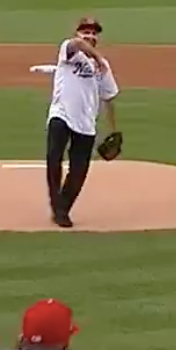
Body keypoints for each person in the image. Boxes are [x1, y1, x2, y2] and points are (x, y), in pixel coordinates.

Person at [44, 16, 120, 228]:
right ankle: (56, 204)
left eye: (94, 33)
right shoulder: (69, 51)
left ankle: (63, 209)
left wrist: (114, 131)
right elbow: (77, 45)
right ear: (78, 33)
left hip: (86, 123)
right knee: (53, 157)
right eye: (85, 32)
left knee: (79, 170)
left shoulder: (103, 67)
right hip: (61, 114)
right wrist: (95, 56)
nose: (90, 36)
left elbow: (109, 98)